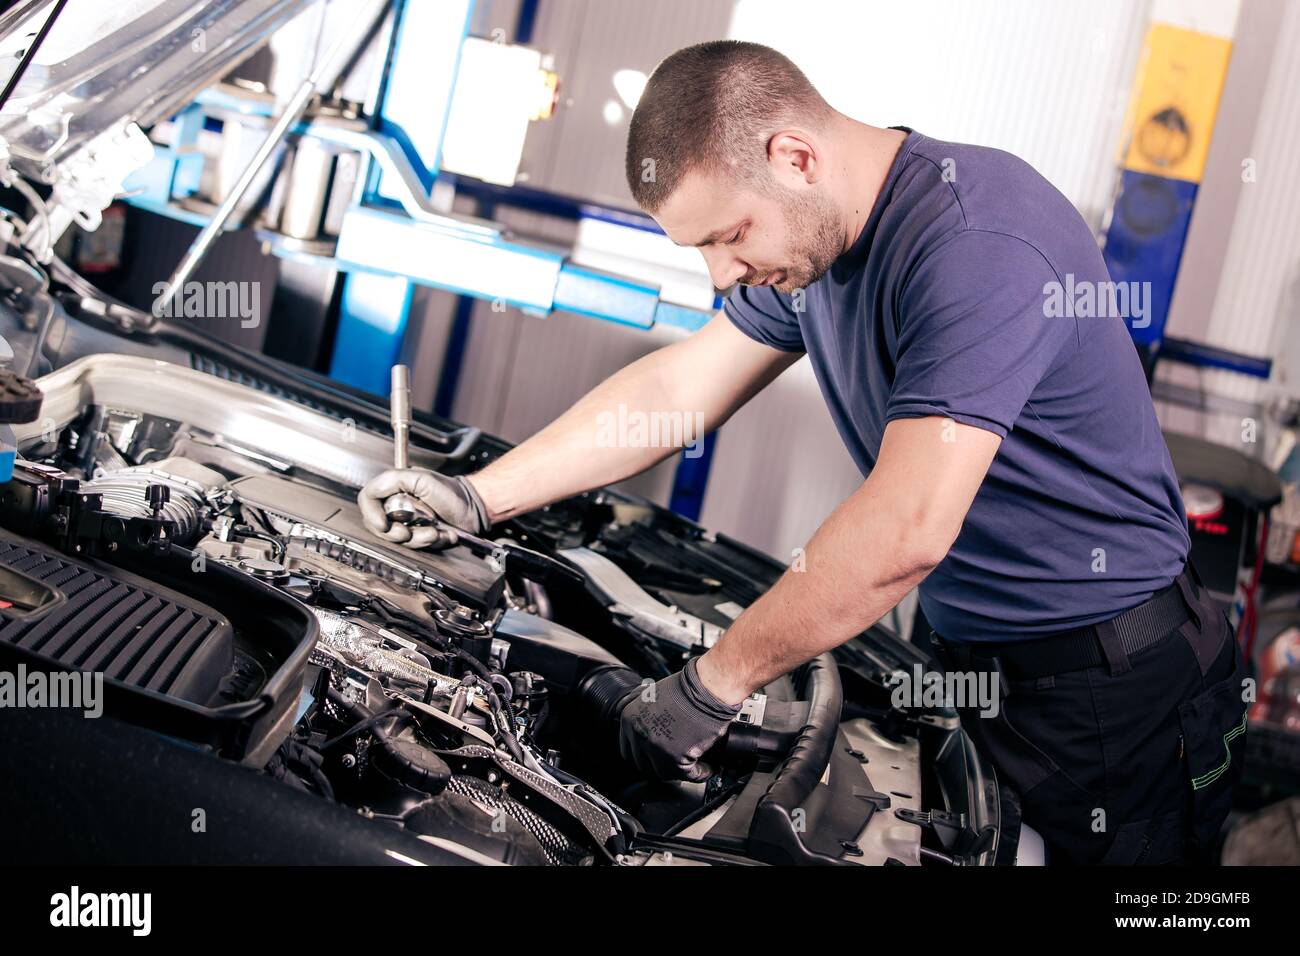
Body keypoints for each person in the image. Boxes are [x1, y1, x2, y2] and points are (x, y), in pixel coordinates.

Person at [359, 41, 1247, 864]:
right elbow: (677, 392)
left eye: (727, 236)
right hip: (965, 660)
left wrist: (711, 687)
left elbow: (906, 529)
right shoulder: (814, 245)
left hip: (1114, 695)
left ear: (795, 157)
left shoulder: (978, 244)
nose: (721, 273)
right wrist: (478, 497)